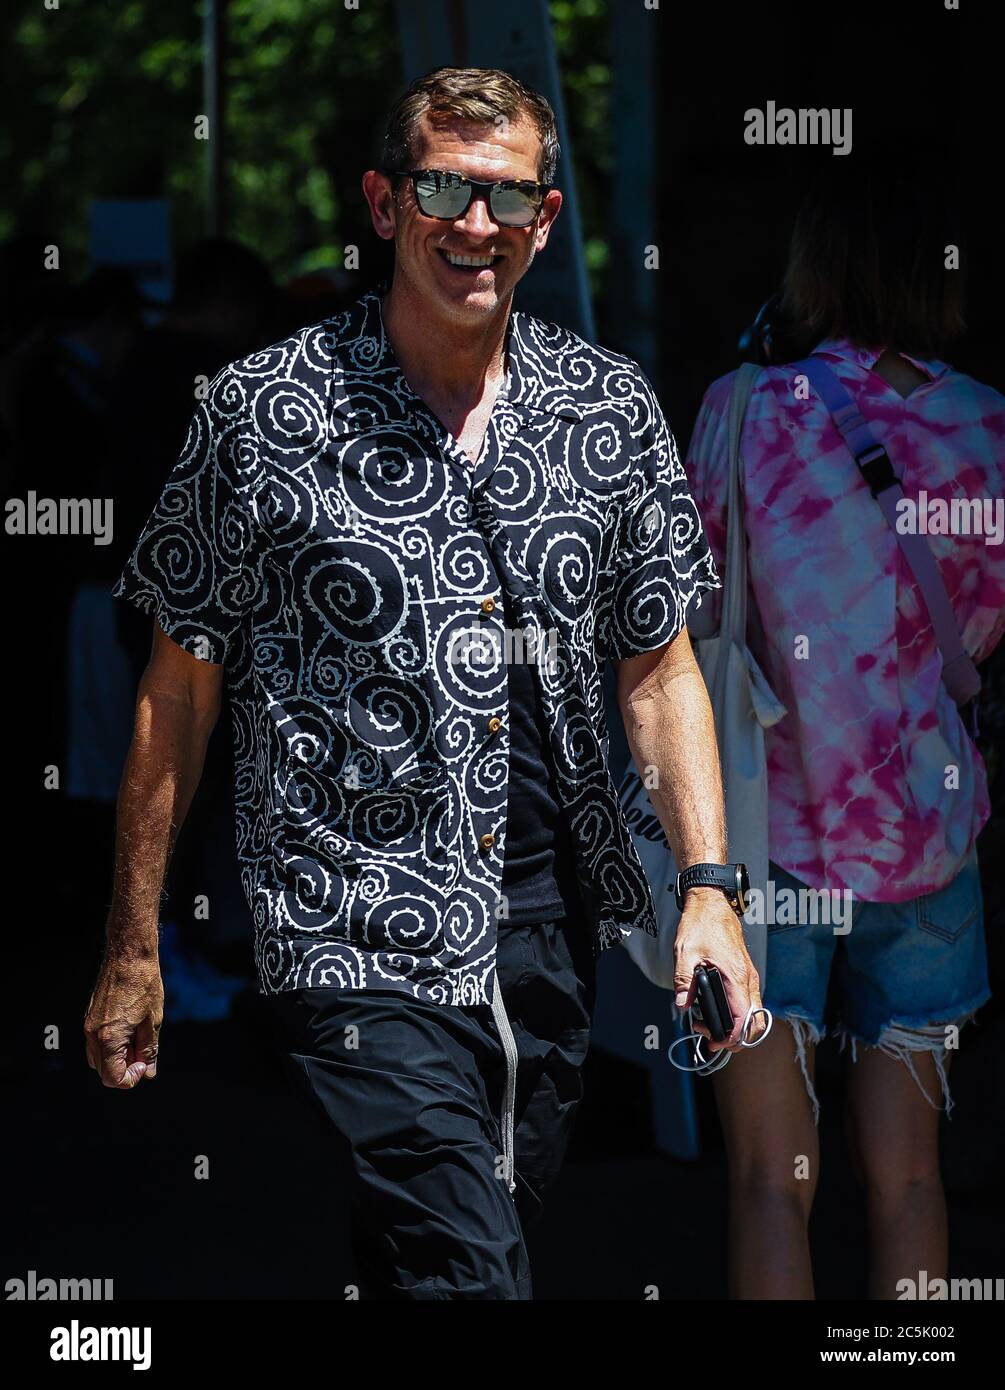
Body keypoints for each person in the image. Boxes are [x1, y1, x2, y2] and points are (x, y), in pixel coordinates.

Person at [84, 65, 764, 1300]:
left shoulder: (606, 410)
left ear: (546, 221)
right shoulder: (264, 413)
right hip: (349, 917)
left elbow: (660, 667)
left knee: (439, 1247)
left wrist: (709, 889)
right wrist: (136, 939)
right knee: (473, 1267)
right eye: (444, 187)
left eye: (508, 199)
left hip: (553, 922)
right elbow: (176, 688)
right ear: (386, 202)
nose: (476, 225)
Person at [686, 161, 1005, 1299]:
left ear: (814, 270)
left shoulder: (746, 408)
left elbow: (696, 619)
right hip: (928, 843)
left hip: (767, 850)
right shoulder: (984, 425)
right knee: (912, 1179)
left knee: (771, 1177)